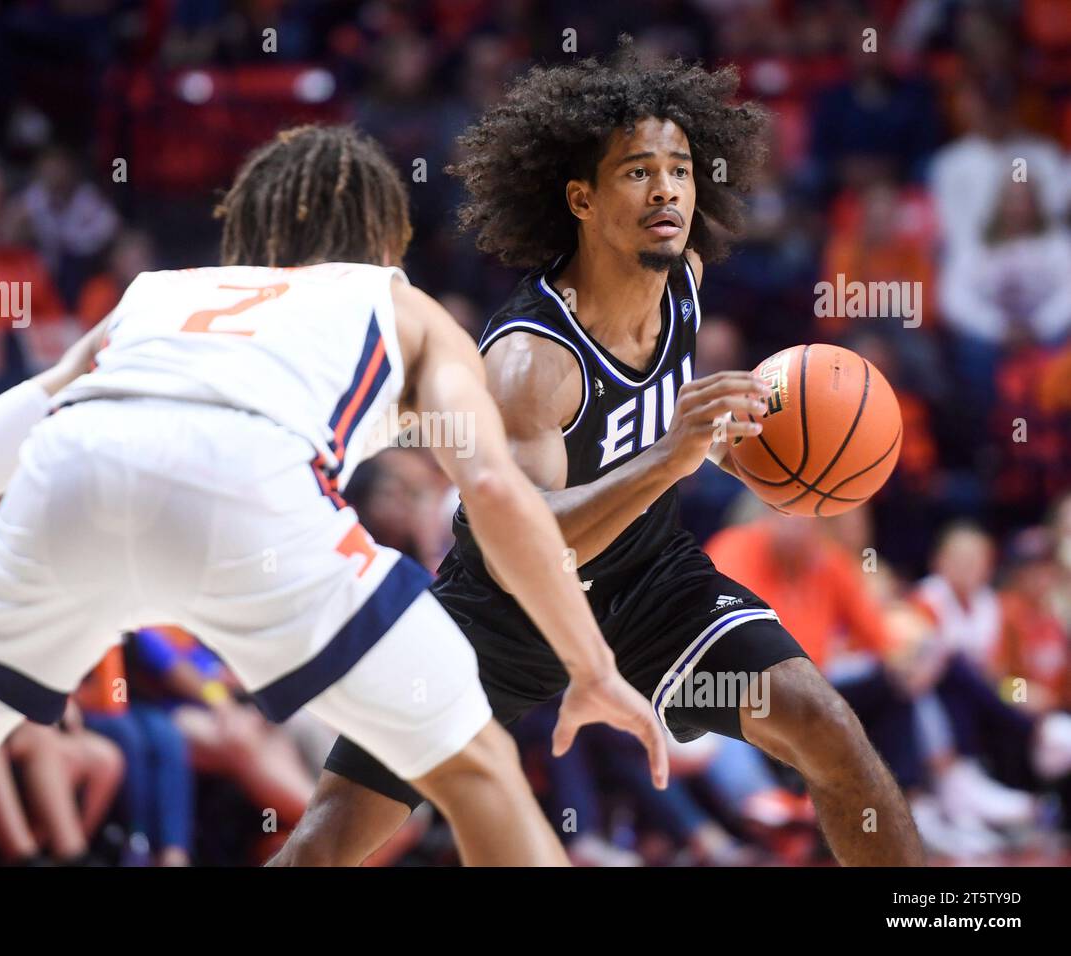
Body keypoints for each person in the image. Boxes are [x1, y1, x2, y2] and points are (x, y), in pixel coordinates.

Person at [0, 124, 667, 867]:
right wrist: (592, 667)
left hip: (69, 487)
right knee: (480, 773)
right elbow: (490, 488)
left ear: (249, 226)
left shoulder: (155, 296)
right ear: (387, 236)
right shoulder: (399, 303)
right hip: (253, 495)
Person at [274, 47, 924, 867]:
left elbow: (654, 436)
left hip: (654, 587)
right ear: (581, 197)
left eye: (681, 170)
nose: (667, 191)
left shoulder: (684, 279)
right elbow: (527, 548)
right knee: (335, 833)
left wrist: (731, 450)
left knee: (826, 725)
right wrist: (668, 459)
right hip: (505, 613)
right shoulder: (530, 362)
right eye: (637, 172)